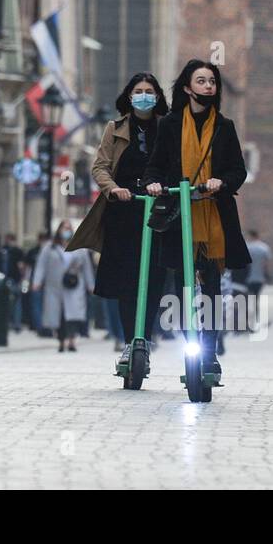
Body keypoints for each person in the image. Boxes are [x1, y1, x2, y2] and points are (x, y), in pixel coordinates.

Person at [145, 59, 250, 380]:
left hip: (214, 216)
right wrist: (154, 182)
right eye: (201, 81)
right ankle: (190, 344)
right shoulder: (170, 125)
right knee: (181, 286)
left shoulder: (225, 126)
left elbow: (238, 170)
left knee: (213, 288)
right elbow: (156, 165)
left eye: (212, 82)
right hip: (180, 216)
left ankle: (209, 350)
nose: (208, 87)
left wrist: (223, 182)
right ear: (188, 88)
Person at [68, 71, 169, 365]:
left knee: (153, 280)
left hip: (158, 212)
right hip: (124, 211)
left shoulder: (167, 128)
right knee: (127, 283)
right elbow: (100, 167)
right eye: (138, 90)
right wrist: (114, 189)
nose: (144, 95)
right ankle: (129, 342)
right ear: (129, 96)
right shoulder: (114, 128)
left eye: (149, 90)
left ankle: (145, 340)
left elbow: (175, 165)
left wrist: (164, 187)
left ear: (158, 96)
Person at [33, 221, 94, 351]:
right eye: (64, 228)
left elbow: (87, 268)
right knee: (59, 315)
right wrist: (37, 281)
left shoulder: (80, 247)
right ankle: (61, 341)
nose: (66, 231)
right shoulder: (50, 248)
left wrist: (91, 285)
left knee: (72, 316)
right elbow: (41, 266)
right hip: (55, 287)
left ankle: (71, 340)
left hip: (74, 286)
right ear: (59, 230)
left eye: (69, 228)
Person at [245, 230, 270, 298]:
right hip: (260, 277)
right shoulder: (264, 247)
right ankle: (255, 306)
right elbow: (266, 264)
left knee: (248, 295)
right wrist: (267, 274)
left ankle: (249, 307)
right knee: (256, 296)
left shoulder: (247, 247)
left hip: (248, 276)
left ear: (251, 236)